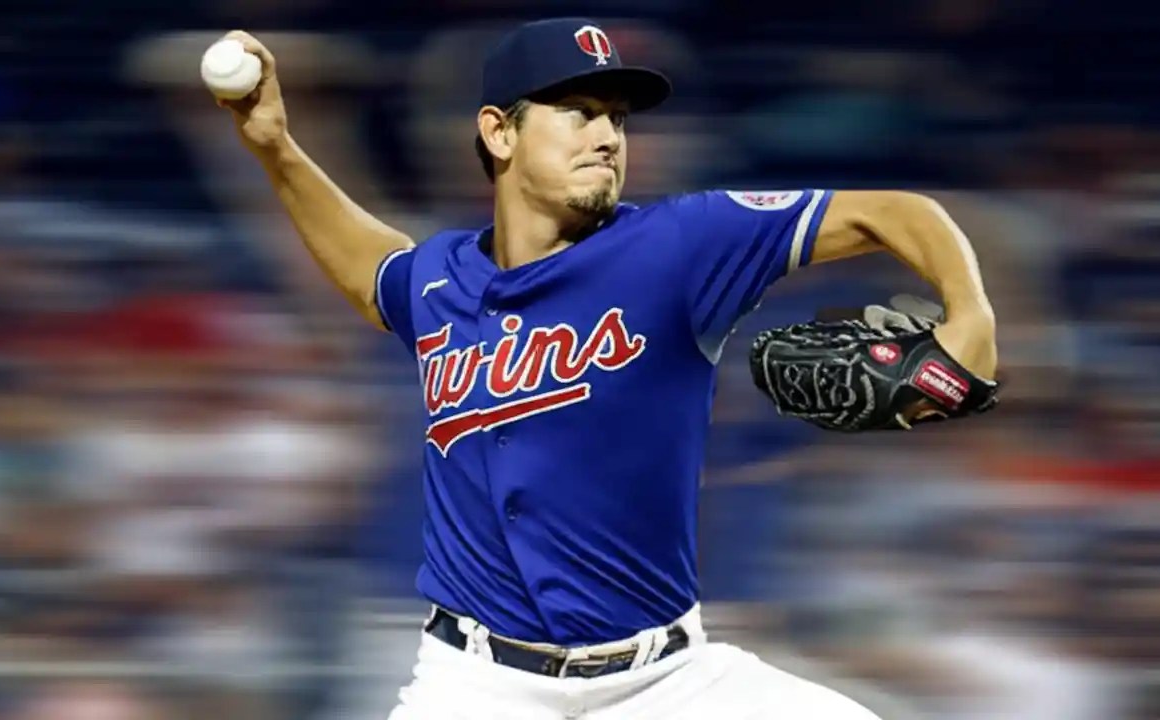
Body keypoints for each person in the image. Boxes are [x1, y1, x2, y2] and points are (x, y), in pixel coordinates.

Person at [217, 17, 997, 720]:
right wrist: (277, 151)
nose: (608, 137)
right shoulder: (438, 280)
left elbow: (894, 212)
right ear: (499, 133)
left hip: (667, 683)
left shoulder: (682, 245)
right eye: (579, 113)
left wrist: (969, 313)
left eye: (617, 119)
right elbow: (370, 271)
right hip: (476, 688)